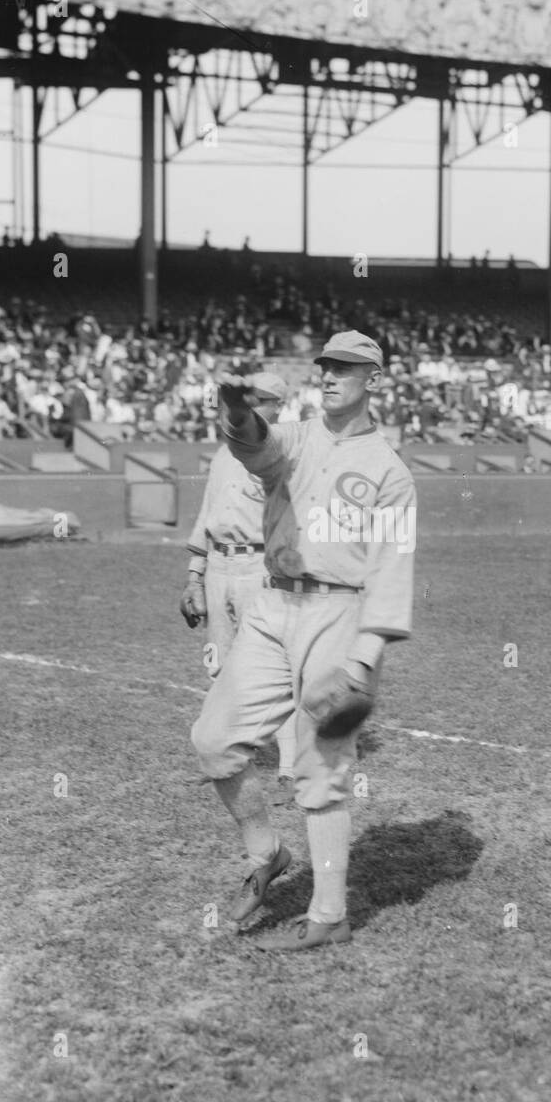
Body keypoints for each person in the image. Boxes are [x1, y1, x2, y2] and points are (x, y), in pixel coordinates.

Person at [190, 331, 416, 951]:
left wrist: (363, 664)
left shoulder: (389, 472)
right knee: (213, 740)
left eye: (345, 367)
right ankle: (269, 851)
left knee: (321, 770)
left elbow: (393, 572)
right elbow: (256, 449)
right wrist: (239, 415)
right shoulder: (294, 438)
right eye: (324, 366)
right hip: (272, 603)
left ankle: (328, 916)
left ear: (373, 379)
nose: (330, 374)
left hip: (338, 613)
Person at [180, 372, 296, 806]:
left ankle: (289, 770)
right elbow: (207, 516)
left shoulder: (281, 453)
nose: (243, 407)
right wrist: (195, 574)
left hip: (258, 564)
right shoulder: (224, 453)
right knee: (220, 665)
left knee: (274, 666)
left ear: (277, 405)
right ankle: (224, 762)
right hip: (219, 567)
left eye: (257, 400)